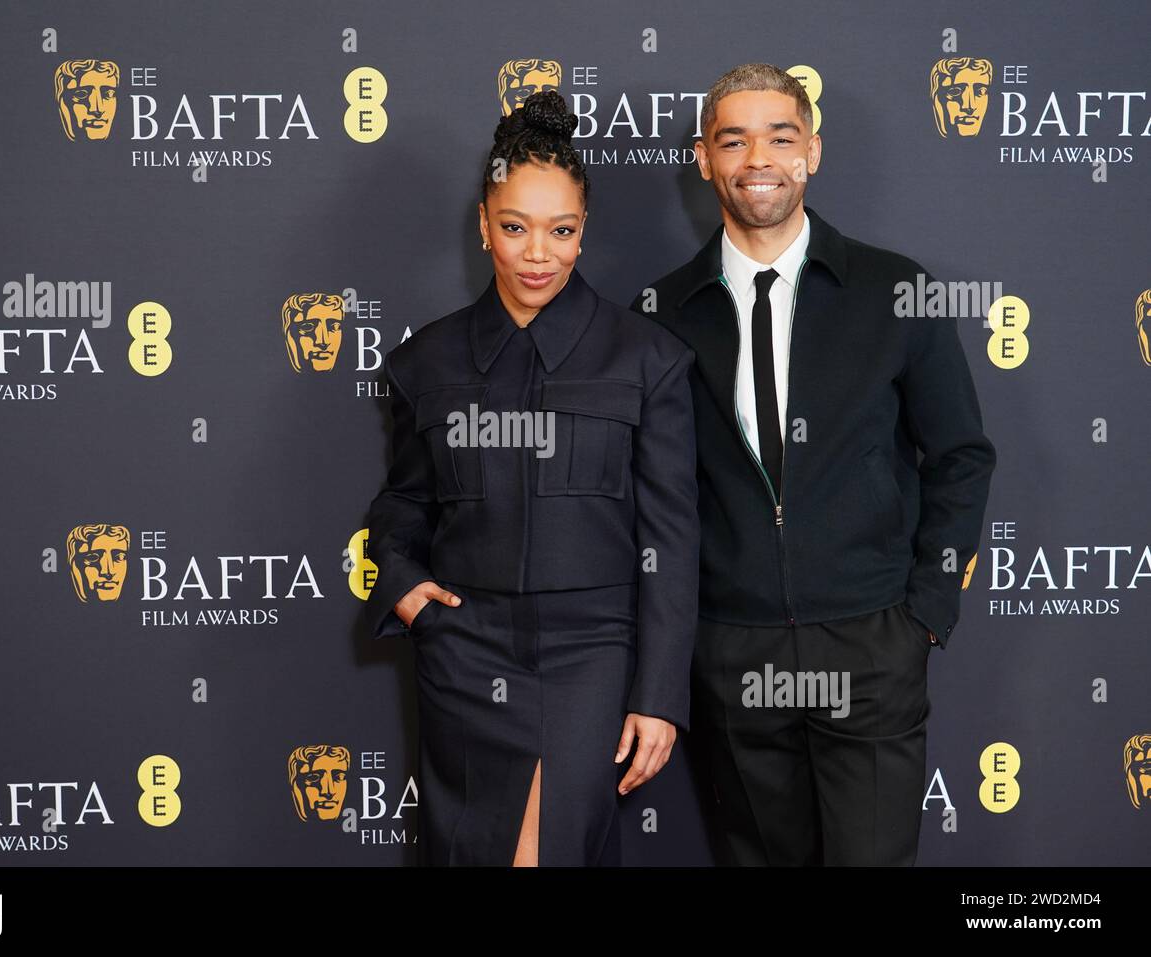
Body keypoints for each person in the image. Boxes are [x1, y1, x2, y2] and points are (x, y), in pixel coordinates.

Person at [632, 63, 995, 865]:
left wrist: (925, 613)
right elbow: (652, 498)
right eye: (734, 140)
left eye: (780, 137)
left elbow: (961, 456)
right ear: (704, 158)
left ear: (813, 152)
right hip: (733, 654)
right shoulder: (659, 316)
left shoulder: (896, 290)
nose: (758, 159)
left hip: (872, 645)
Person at [363, 90, 699, 866]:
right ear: (484, 226)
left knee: (545, 852)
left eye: (561, 229)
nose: (538, 253)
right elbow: (404, 501)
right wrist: (406, 586)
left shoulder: (649, 359)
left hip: (592, 650)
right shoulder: (426, 362)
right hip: (464, 650)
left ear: (584, 232)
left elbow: (673, 538)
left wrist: (658, 693)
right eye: (515, 227)